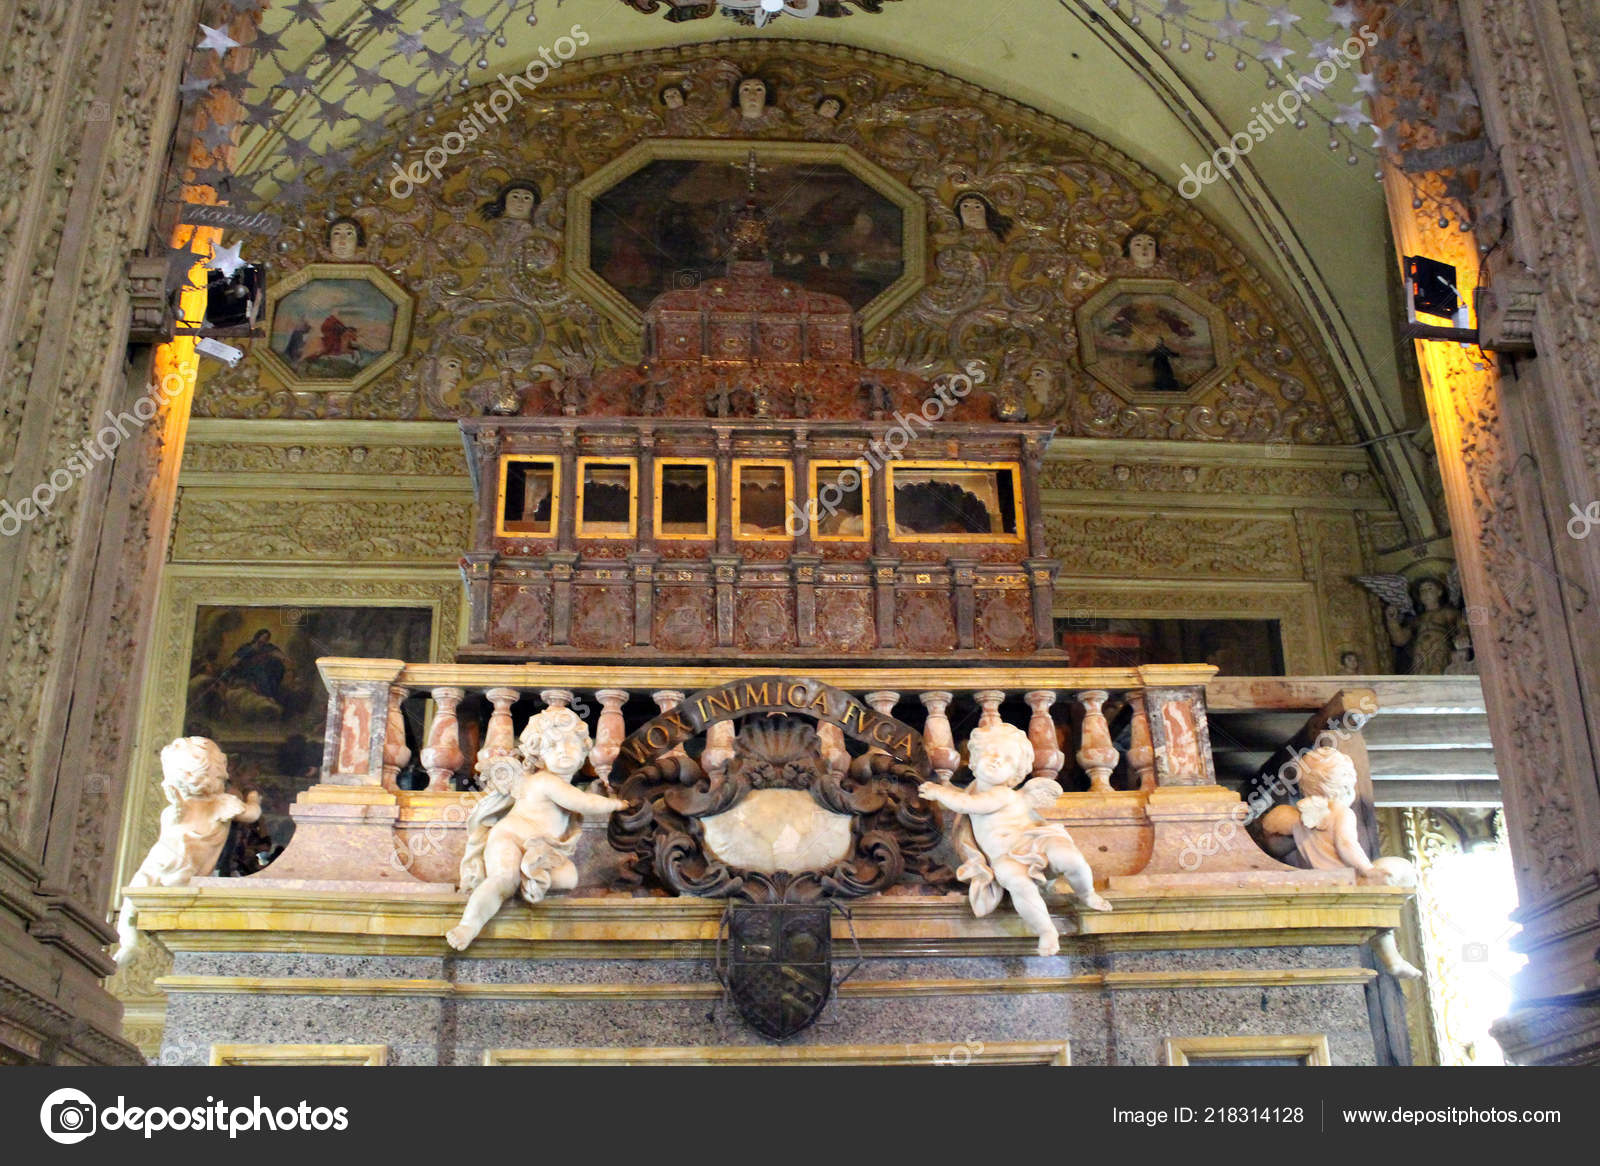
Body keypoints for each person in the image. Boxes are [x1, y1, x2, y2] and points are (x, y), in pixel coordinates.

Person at [919, 722, 1110, 956]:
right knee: (1019, 885)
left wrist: (939, 792)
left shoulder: (1001, 794)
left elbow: (967, 804)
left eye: (1007, 759)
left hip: (1033, 840)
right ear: (975, 759)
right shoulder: (977, 791)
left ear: (1016, 772)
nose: (997, 759)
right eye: (990, 752)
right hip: (1004, 857)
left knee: (1070, 858)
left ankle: (1086, 892)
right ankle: (1046, 930)